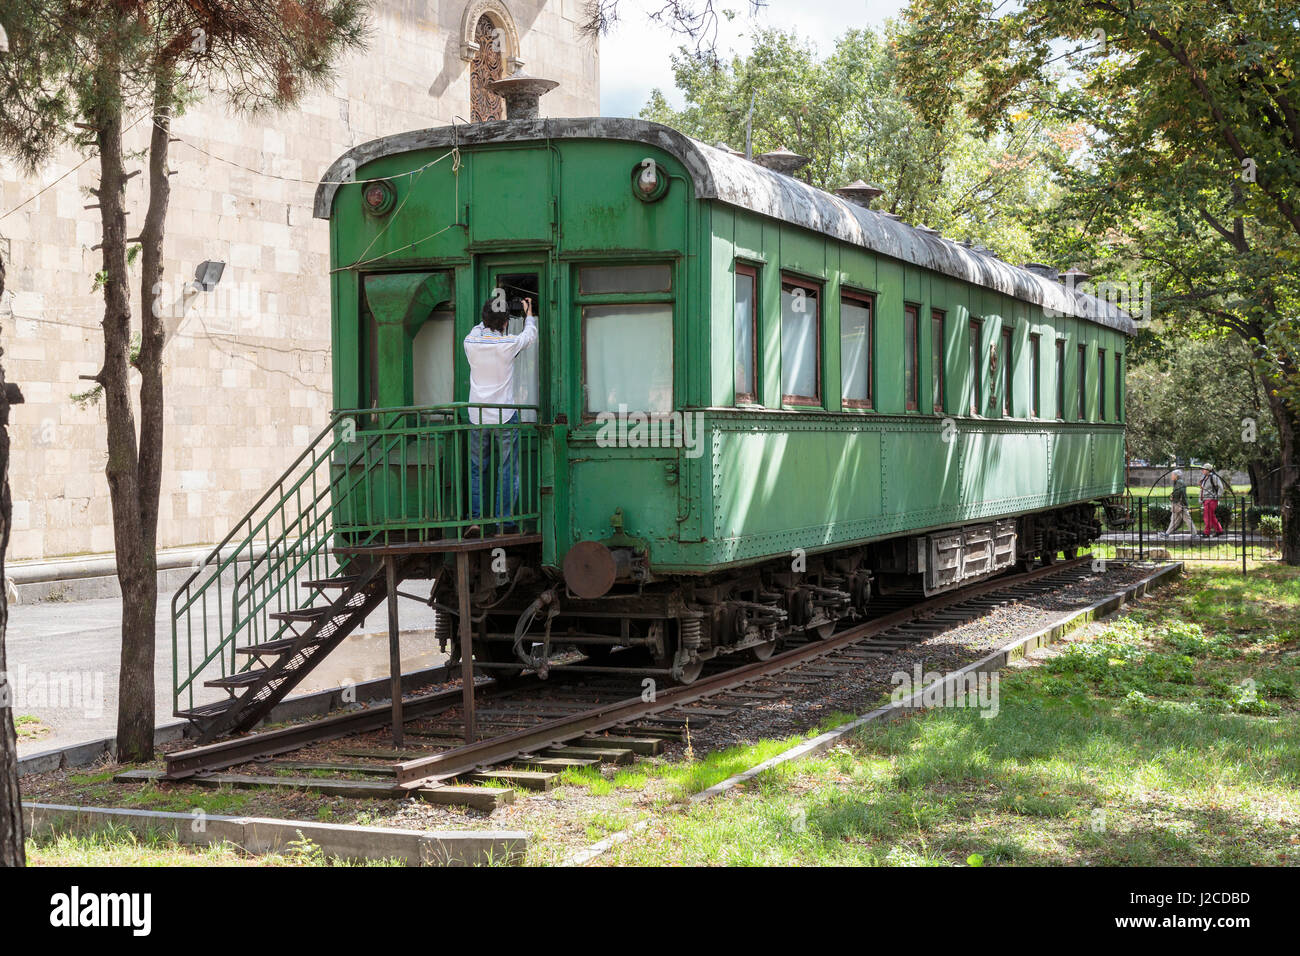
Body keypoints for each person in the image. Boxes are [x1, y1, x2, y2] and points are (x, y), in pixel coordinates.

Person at [463, 294, 538, 535]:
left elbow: (481, 327)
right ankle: (504, 522)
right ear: (506, 322)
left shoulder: (470, 341)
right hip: (504, 416)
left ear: (484, 319)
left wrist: (492, 315)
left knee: (477, 468)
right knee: (507, 469)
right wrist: (528, 314)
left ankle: (475, 520)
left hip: (477, 416)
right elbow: (530, 336)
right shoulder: (507, 344)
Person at [1165, 470, 1195, 536]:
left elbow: (1179, 492)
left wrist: (1172, 496)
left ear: (1176, 475)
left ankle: (1194, 533)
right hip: (1177, 504)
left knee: (1187, 519)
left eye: (1172, 475)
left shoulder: (1179, 482)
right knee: (1173, 519)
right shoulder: (1178, 482)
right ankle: (1167, 533)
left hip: (1180, 504)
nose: (1171, 476)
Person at [1198, 464, 1225, 538]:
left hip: (1211, 499)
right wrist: (1201, 499)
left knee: (1207, 516)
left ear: (1208, 470)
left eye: (1204, 469)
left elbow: (1221, 487)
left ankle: (1206, 532)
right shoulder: (1205, 478)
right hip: (1206, 499)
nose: (1202, 470)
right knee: (1211, 516)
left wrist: (1217, 496)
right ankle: (1219, 530)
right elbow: (1203, 490)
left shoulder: (1213, 477)